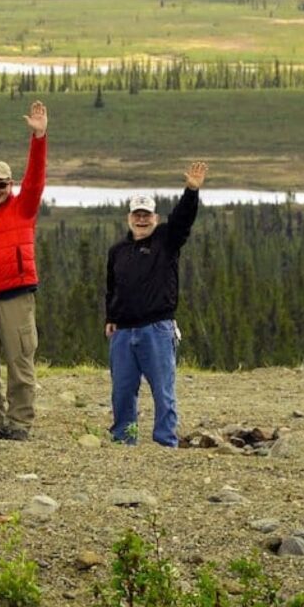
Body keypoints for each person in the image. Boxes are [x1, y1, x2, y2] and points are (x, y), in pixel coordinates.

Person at [104, 160, 208, 447]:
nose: (141, 219)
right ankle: (124, 439)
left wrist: (191, 191)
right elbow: (112, 287)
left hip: (157, 329)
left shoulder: (167, 241)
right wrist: (110, 317)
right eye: (137, 214)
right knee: (122, 390)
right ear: (129, 217)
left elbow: (183, 219)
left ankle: (165, 442)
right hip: (123, 332)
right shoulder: (118, 251)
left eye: (146, 214)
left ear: (155, 217)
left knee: (163, 390)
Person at [0, 100, 48, 440]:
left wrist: (39, 137)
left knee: (19, 363)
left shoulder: (24, 207)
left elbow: (36, 179)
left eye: (1, 184)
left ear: (10, 184)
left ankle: (19, 424)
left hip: (17, 297)